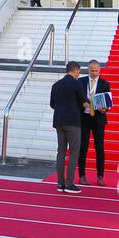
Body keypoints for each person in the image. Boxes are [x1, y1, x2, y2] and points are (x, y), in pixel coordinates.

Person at [50, 61, 89, 194]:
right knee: (73, 152)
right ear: (75, 70)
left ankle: (60, 183)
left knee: (60, 152)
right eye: (79, 71)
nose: (79, 74)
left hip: (59, 121)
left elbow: (52, 105)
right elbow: (84, 102)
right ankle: (69, 183)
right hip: (73, 122)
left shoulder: (56, 85)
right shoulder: (76, 84)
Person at [78, 59, 113, 187]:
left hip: (98, 119)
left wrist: (105, 108)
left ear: (100, 70)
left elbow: (108, 103)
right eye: (92, 70)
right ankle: (82, 175)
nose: (94, 73)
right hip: (84, 118)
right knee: (83, 147)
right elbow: (77, 98)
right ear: (88, 70)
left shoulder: (104, 83)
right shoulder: (81, 82)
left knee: (100, 148)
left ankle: (100, 176)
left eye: (96, 71)